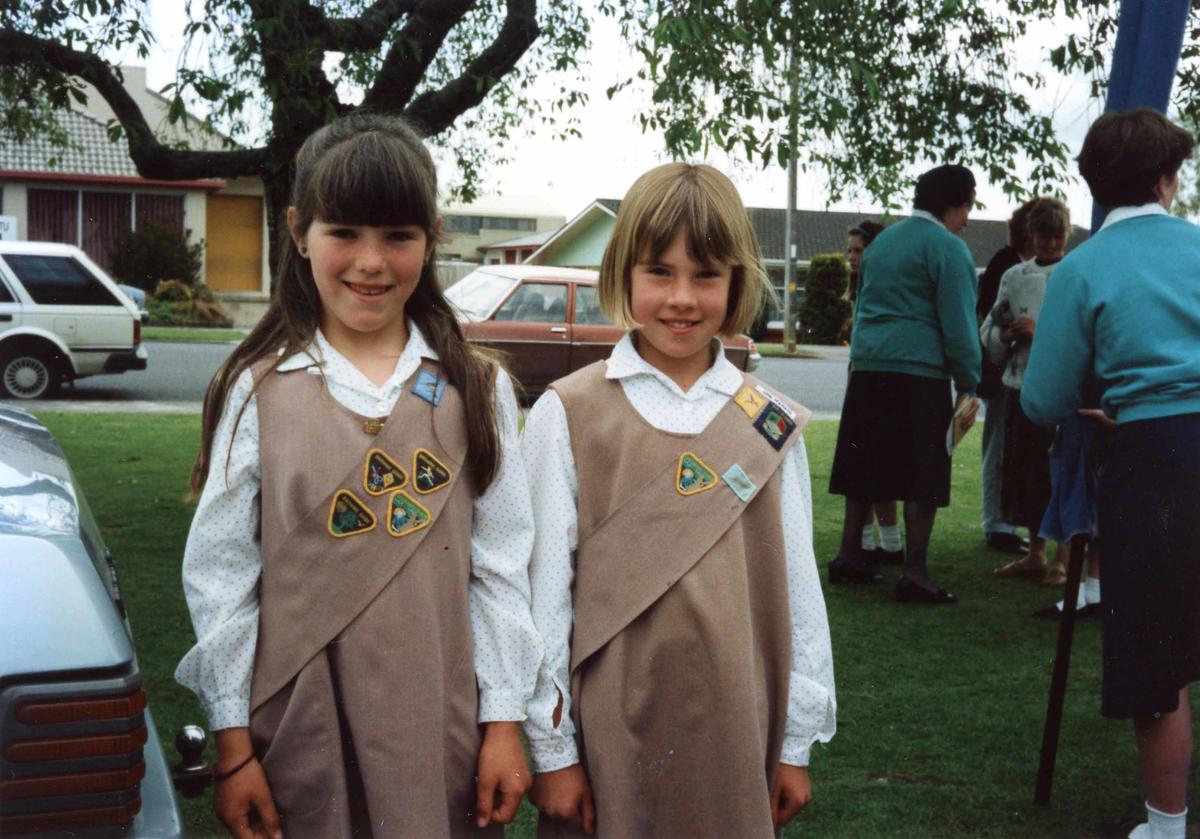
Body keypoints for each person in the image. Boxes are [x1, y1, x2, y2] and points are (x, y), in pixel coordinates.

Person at [175, 114, 541, 838]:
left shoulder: (478, 387)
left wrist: (504, 722)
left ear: (432, 238)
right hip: (300, 725)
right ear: (298, 230)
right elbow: (221, 577)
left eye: (398, 236)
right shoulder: (255, 389)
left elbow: (502, 570)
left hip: (442, 728)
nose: (371, 262)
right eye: (345, 232)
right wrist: (233, 744)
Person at [521, 163, 836, 837]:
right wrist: (552, 751)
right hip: (607, 728)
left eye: (706, 275)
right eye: (659, 272)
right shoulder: (567, 413)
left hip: (735, 723)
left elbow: (798, 590)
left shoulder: (768, 421)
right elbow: (542, 594)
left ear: (739, 280)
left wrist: (794, 743)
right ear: (624, 275)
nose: (682, 298)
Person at [1022, 108, 1200, 839]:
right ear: (1166, 178)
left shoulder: (1084, 267)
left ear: (1094, 182)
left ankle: (1165, 828)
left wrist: (1114, 403)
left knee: (1158, 664)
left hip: (1154, 463)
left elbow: (1042, 400)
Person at [828, 164, 981, 604]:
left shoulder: (881, 245)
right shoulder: (949, 249)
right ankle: (914, 573)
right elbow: (958, 324)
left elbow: (862, 306)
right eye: (968, 206)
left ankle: (848, 556)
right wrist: (968, 381)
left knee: (862, 465)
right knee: (923, 472)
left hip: (870, 366)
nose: (968, 218)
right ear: (954, 203)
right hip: (920, 373)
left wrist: (860, 360)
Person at [982, 197, 1070, 583]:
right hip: (1020, 385)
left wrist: (1041, 331)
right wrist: (1004, 335)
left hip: (1061, 391)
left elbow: (1081, 333)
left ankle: (1063, 559)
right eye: (1043, 236)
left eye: (1057, 236)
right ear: (1030, 235)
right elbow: (990, 327)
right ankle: (1036, 552)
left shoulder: (1073, 273)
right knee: (1025, 476)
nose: (1050, 244)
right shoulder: (1014, 276)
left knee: (1060, 474)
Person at [977, 200, 1037, 556]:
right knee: (998, 448)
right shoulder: (1009, 266)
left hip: (1000, 370)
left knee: (1003, 446)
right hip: (1000, 371)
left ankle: (1003, 522)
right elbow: (992, 318)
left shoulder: (1010, 263)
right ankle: (998, 524)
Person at [845, 220, 903, 565]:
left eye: (859, 250)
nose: (852, 257)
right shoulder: (859, 285)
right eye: (850, 250)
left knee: (879, 463)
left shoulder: (884, 287)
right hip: (859, 375)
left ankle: (891, 542)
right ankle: (866, 543)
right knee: (860, 462)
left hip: (878, 378)